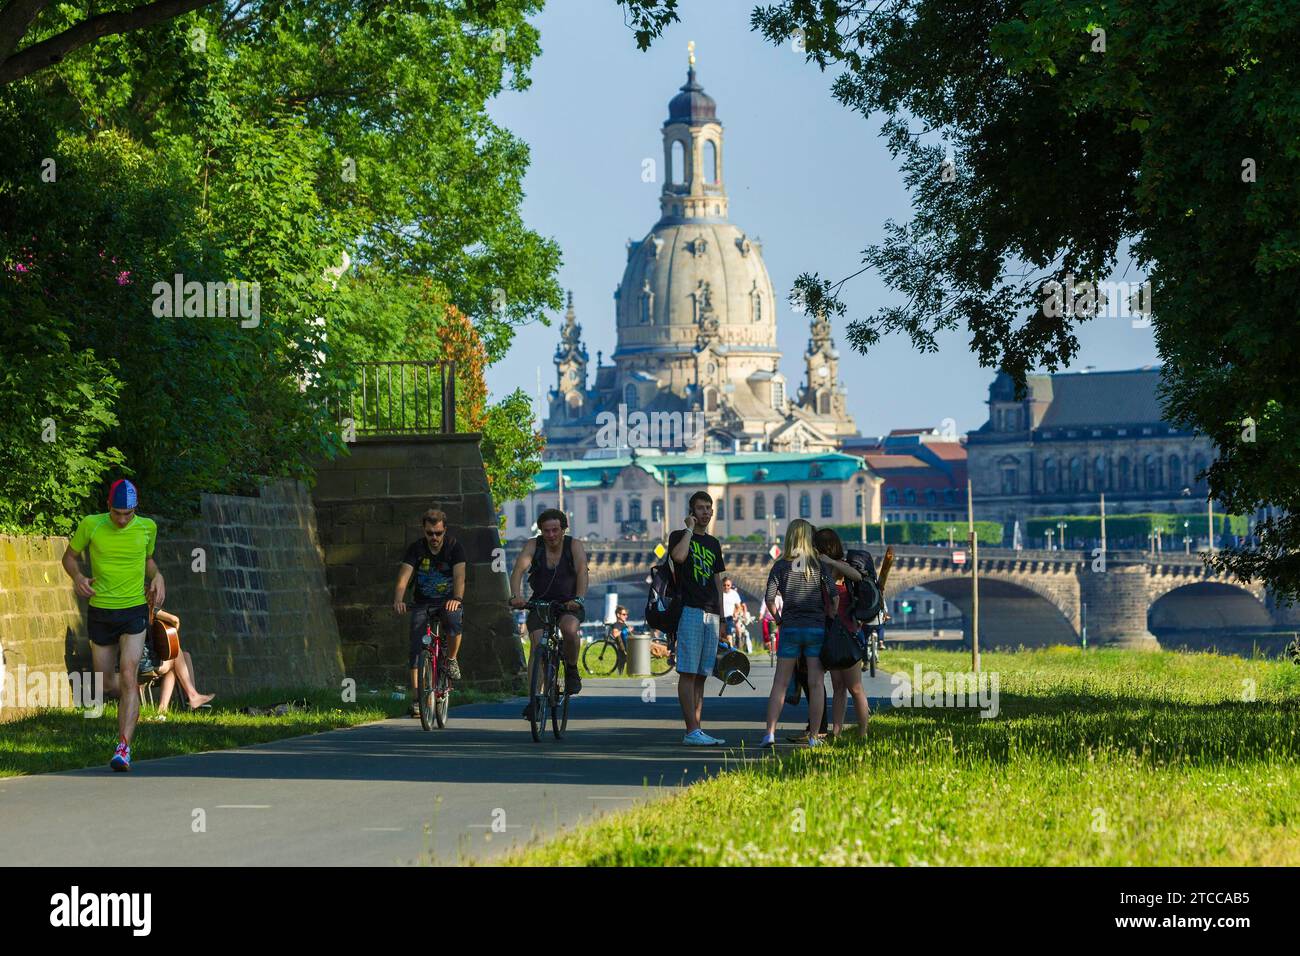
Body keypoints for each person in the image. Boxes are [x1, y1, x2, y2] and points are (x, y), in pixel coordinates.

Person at [61, 479, 165, 771]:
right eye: (117, 512)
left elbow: (147, 560)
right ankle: (133, 698)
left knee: (129, 673)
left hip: (133, 610)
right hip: (101, 612)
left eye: (128, 513)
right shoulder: (91, 525)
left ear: (136, 510)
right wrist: (78, 578)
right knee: (106, 682)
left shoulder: (147, 527)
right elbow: (68, 557)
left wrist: (157, 576)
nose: (122, 519)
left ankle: (123, 747)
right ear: (108, 506)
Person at [759, 518, 862, 748]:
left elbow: (769, 599)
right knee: (816, 684)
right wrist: (830, 616)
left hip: (790, 628)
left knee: (780, 683)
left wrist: (778, 619)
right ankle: (815, 736)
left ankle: (770, 733)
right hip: (815, 628)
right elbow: (834, 596)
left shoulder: (780, 565)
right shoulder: (819, 566)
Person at [509, 508, 588, 716]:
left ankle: (571, 669)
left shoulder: (574, 545)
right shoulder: (533, 545)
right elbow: (518, 570)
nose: (551, 535)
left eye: (555, 530)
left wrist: (578, 599)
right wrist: (515, 596)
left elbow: (581, 571)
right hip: (541, 602)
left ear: (563, 529)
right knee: (537, 645)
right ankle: (534, 699)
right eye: (546, 531)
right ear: (541, 531)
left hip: (568, 602)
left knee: (570, 629)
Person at [393, 509, 467, 718]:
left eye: (438, 533)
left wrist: (457, 598)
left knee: (454, 623)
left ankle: (451, 659)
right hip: (421, 603)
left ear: (445, 530)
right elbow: (404, 577)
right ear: (424, 531)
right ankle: (417, 700)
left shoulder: (454, 548)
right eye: (429, 533)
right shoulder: (416, 549)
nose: (434, 538)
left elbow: (460, 576)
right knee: (416, 648)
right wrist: (398, 600)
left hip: (447, 602)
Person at [668, 491, 727, 746]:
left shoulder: (714, 544)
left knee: (703, 673)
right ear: (692, 512)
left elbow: (717, 581)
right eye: (700, 508)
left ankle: (697, 729)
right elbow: (678, 558)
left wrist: (722, 617)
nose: (705, 512)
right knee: (688, 672)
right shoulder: (679, 537)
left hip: (711, 613)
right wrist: (690, 531)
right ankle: (690, 729)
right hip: (690, 610)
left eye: (708, 508)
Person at [814, 528, 870, 737]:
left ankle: (863, 731)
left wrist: (832, 562)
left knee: (855, 687)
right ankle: (836, 732)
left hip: (850, 635)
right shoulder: (819, 571)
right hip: (830, 635)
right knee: (838, 686)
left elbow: (858, 577)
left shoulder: (843, 567)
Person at [141, 608, 214, 712]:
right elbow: (175, 620)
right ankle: (191, 696)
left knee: (185, 655)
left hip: (135, 661)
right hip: (144, 664)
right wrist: (174, 629)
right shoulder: (148, 607)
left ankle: (191, 700)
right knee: (176, 654)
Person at [721, 578, 742, 647]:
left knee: (728, 636)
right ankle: (724, 651)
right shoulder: (719, 593)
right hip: (720, 617)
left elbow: (739, 607)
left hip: (729, 617)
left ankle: (731, 651)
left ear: (731, 585)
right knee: (722, 635)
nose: (726, 587)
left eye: (728, 585)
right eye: (724, 585)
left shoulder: (734, 594)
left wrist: (736, 613)